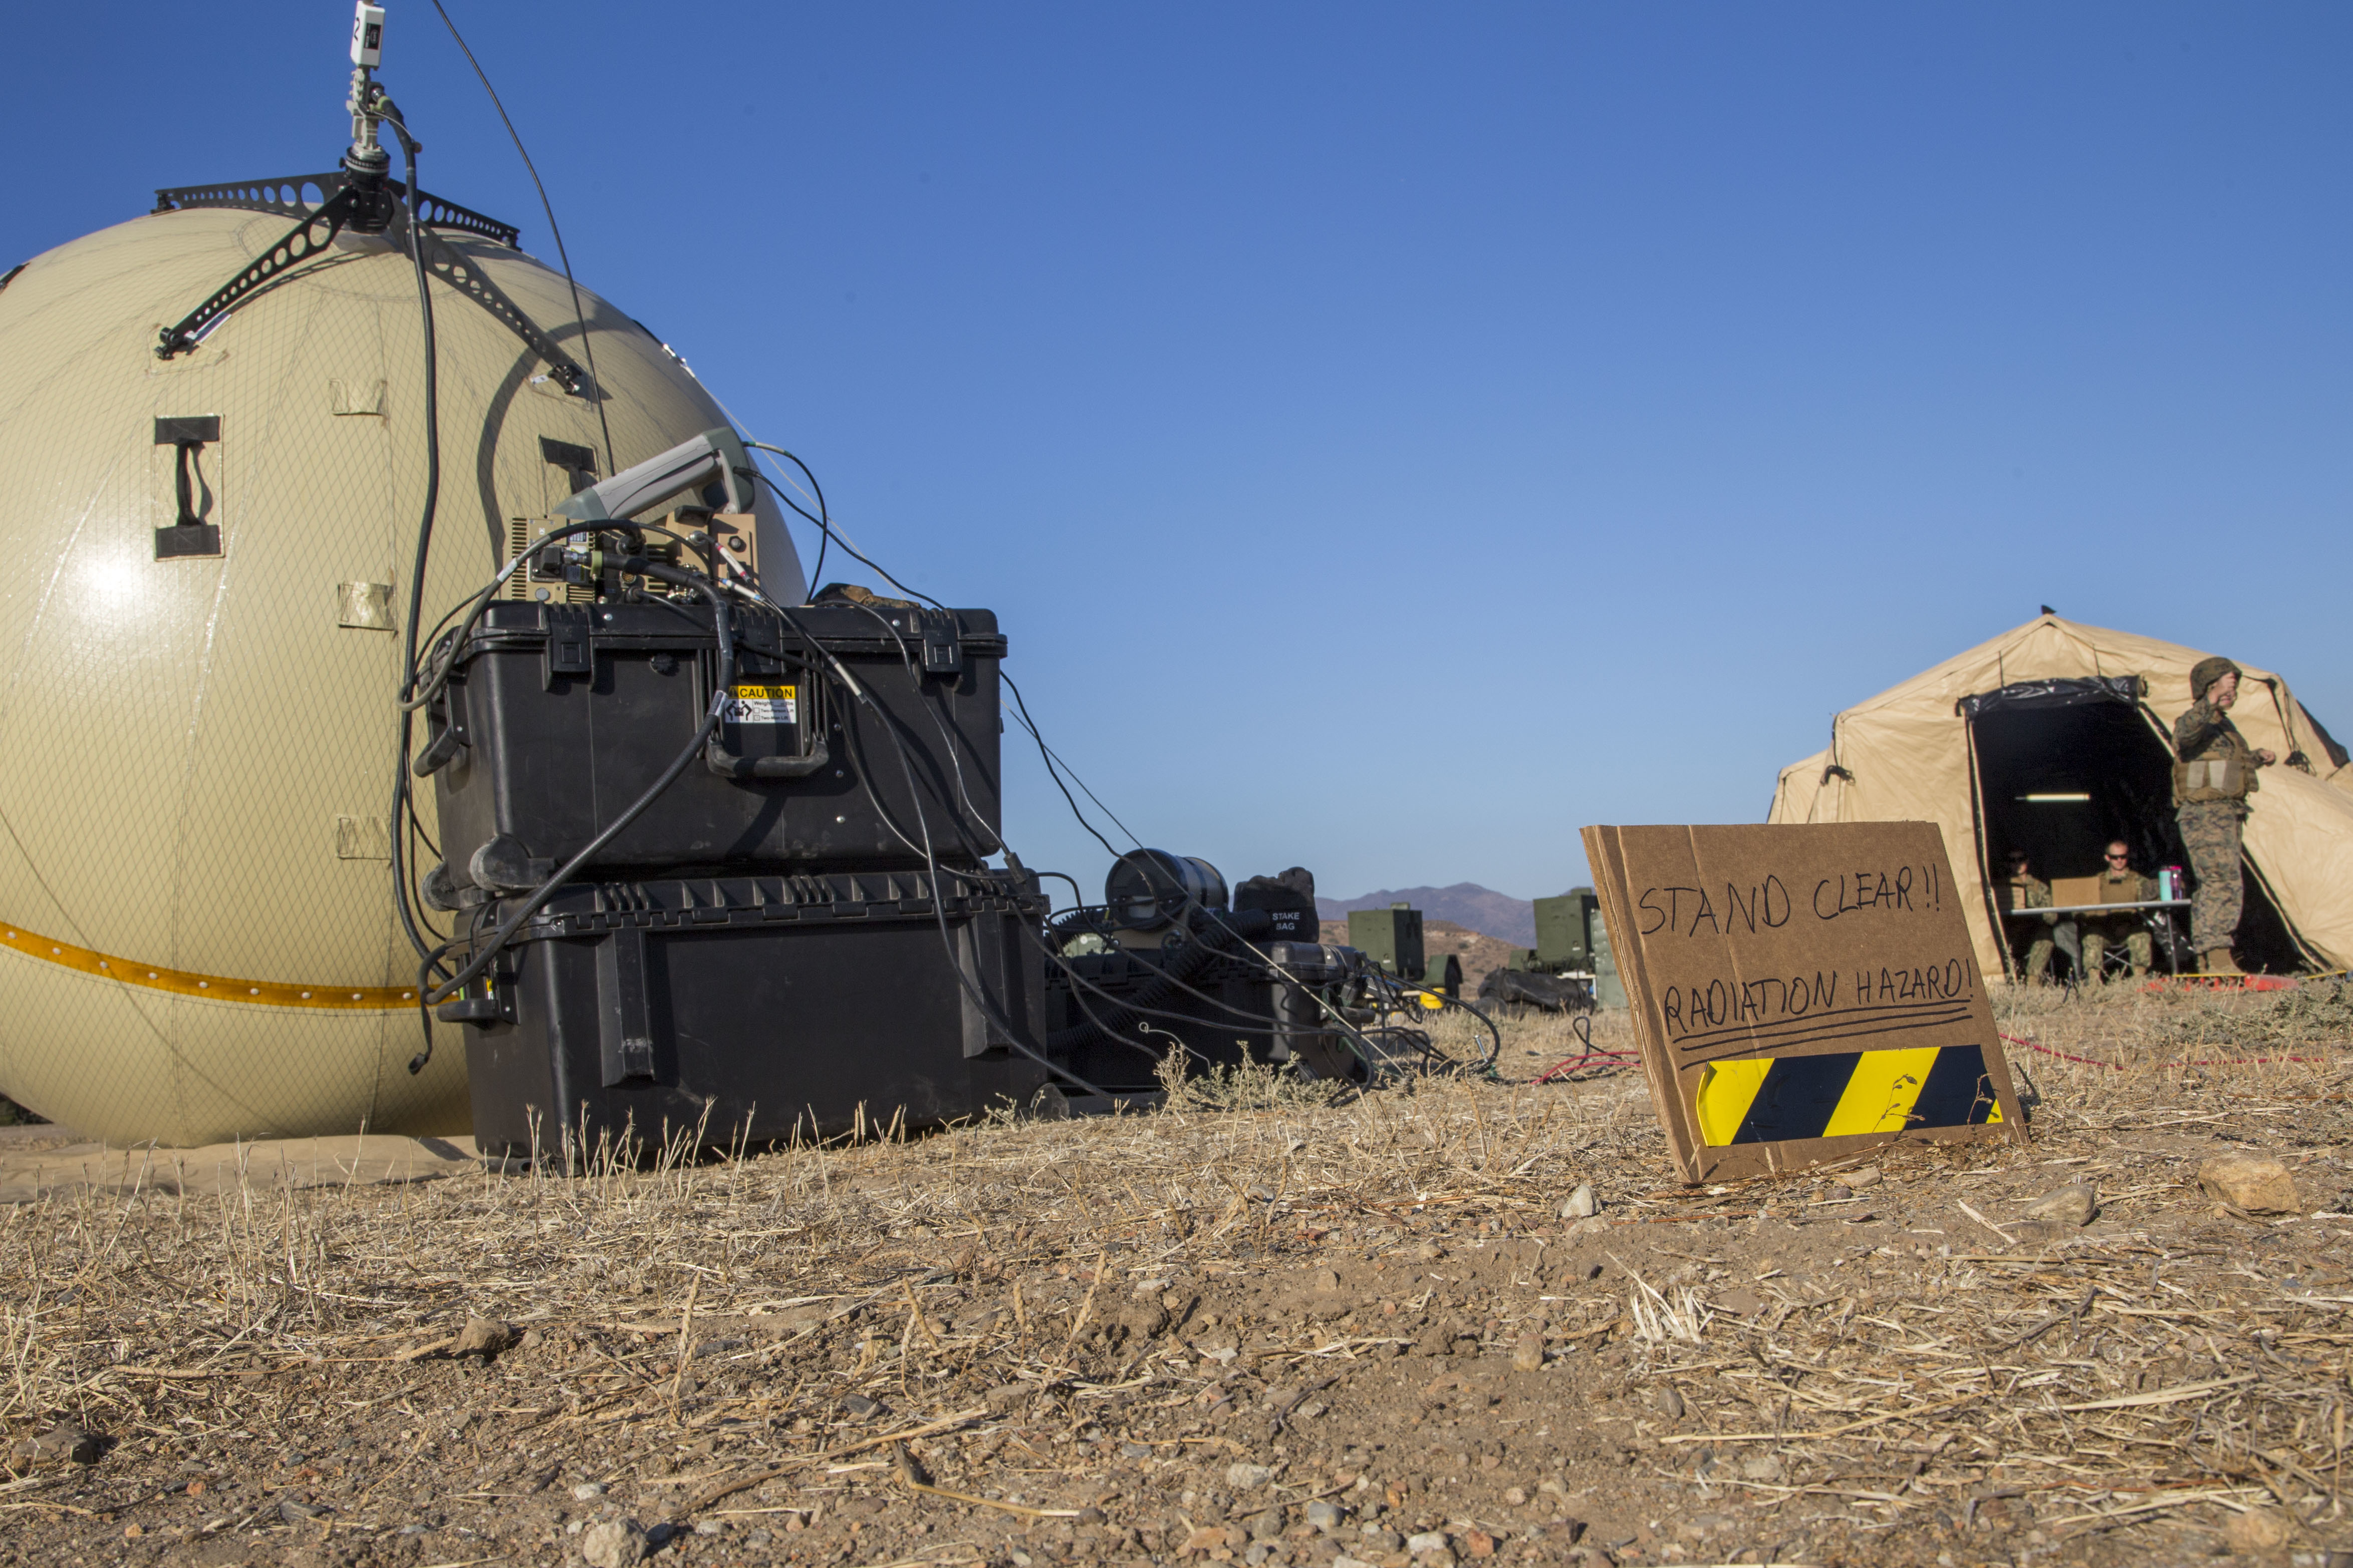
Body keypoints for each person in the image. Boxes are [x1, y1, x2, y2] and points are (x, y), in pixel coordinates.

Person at [2173, 657, 2275, 977]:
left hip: (2224, 812)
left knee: (2214, 883)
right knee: (2222, 882)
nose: (2233, 692)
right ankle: (2218, 956)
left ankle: (2209, 958)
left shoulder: (2223, 726)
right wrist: (2211, 699)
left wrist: (2256, 758)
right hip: (2206, 814)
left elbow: (2225, 765)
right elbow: (2185, 735)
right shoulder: (2197, 719)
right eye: (2226, 685)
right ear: (2209, 686)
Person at [2080, 840, 2157, 981]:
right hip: (2104, 930)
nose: (2119, 860)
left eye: (2123, 857)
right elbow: (2080, 906)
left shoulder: (2138, 881)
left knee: (2141, 935)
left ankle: (2139, 980)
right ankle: (2094, 982)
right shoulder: (2096, 882)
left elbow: (2154, 900)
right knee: (2091, 937)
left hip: (2130, 929)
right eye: (2115, 857)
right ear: (2107, 858)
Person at [2002, 849, 2060, 983]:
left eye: (2021, 860)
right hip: (2011, 932)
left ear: (2027, 861)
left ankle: (2033, 980)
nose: (2018, 864)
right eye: (2013, 861)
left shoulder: (2040, 888)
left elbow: (2052, 918)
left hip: (2033, 932)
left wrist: (2035, 912)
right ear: (2008, 864)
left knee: (2046, 937)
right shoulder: (2001, 887)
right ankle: (2006, 980)